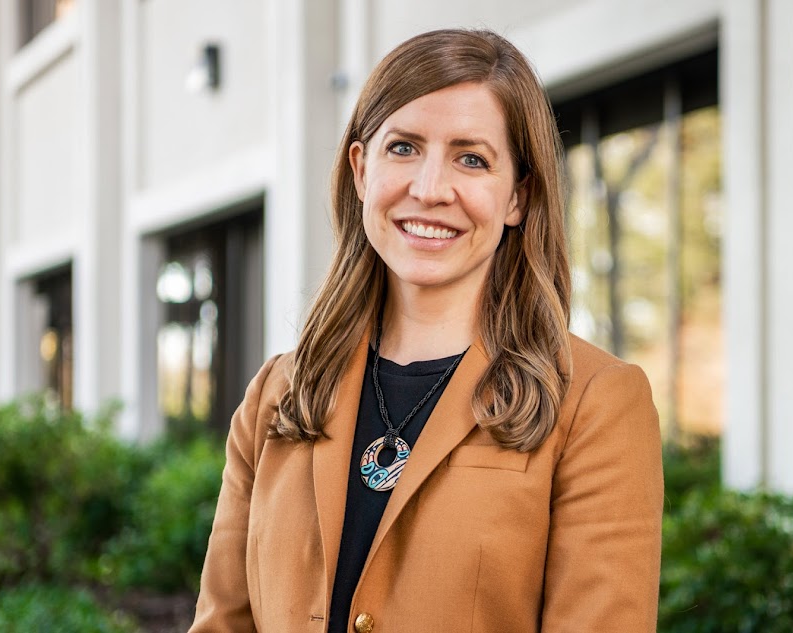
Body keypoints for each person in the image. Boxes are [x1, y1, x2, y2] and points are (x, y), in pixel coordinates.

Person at [189, 28, 663, 633]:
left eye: (472, 158)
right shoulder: (277, 394)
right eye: (404, 148)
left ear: (518, 195)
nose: (430, 189)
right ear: (361, 170)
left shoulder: (596, 404)